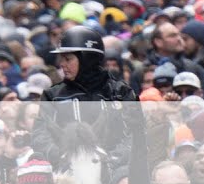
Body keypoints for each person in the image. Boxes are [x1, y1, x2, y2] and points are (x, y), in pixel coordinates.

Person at [32, 25, 138, 175]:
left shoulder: (121, 92)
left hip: (115, 174)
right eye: (61, 58)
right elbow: (39, 135)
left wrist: (113, 159)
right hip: (67, 174)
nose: (62, 64)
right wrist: (61, 156)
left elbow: (134, 134)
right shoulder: (52, 95)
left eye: (68, 59)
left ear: (88, 60)